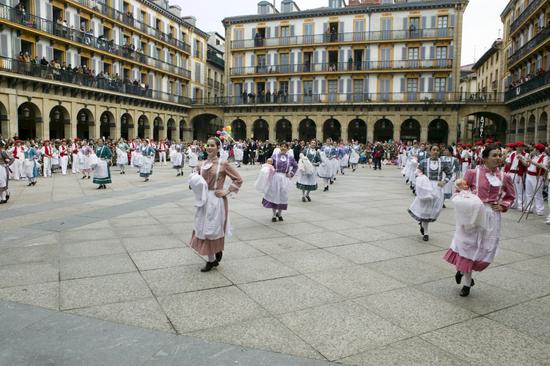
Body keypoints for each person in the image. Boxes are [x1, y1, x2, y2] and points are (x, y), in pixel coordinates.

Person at [444, 145, 515, 297]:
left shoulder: (504, 177)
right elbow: (459, 190)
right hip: (472, 213)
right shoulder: (472, 173)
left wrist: (502, 205)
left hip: (491, 216)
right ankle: (467, 283)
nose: (498, 158)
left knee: (485, 247)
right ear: (485, 158)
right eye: (494, 155)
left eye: (499, 155)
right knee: (467, 245)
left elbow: (511, 196)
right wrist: (466, 200)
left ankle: (462, 270)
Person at [189, 137, 243, 272]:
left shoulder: (223, 164)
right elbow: (195, 182)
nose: (209, 147)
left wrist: (227, 191)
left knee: (212, 228)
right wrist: (193, 182)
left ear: (218, 148)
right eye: (208, 145)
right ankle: (212, 257)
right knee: (202, 226)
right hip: (203, 199)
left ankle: (212, 257)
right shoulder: (201, 164)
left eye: (213, 145)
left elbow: (238, 179)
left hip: (216, 200)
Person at [408, 145, 452, 241]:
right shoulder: (424, 162)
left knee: (434, 209)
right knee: (425, 210)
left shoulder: (443, 163)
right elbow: (418, 172)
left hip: (437, 188)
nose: (435, 151)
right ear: (430, 151)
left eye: (437, 150)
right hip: (426, 188)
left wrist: (444, 181)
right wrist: (422, 180)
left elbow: (449, 173)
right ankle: (426, 233)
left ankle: (422, 223)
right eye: (433, 150)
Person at [262, 142, 298, 222]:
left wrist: (291, 173)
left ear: (287, 148)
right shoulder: (274, 156)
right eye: (281, 146)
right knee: (274, 195)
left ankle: (280, 213)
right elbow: (270, 165)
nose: (283, 148)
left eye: (285, 147)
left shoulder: (290, 157)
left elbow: (296, 166)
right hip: (275, 178)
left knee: (283, 196)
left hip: (284, 178)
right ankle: (274, 215)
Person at [522, 143, 548, 216]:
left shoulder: (544, 157)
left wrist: (531, 161)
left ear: (538, 150)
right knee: (528, 193)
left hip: (537, 176)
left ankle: (540, 210)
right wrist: (522, 159)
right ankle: (529, 208)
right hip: (529, 175)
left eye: (535, 148)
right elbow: (527, 165)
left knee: (537, 194)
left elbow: (542, 166)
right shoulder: (533, 156)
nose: (533, 149)